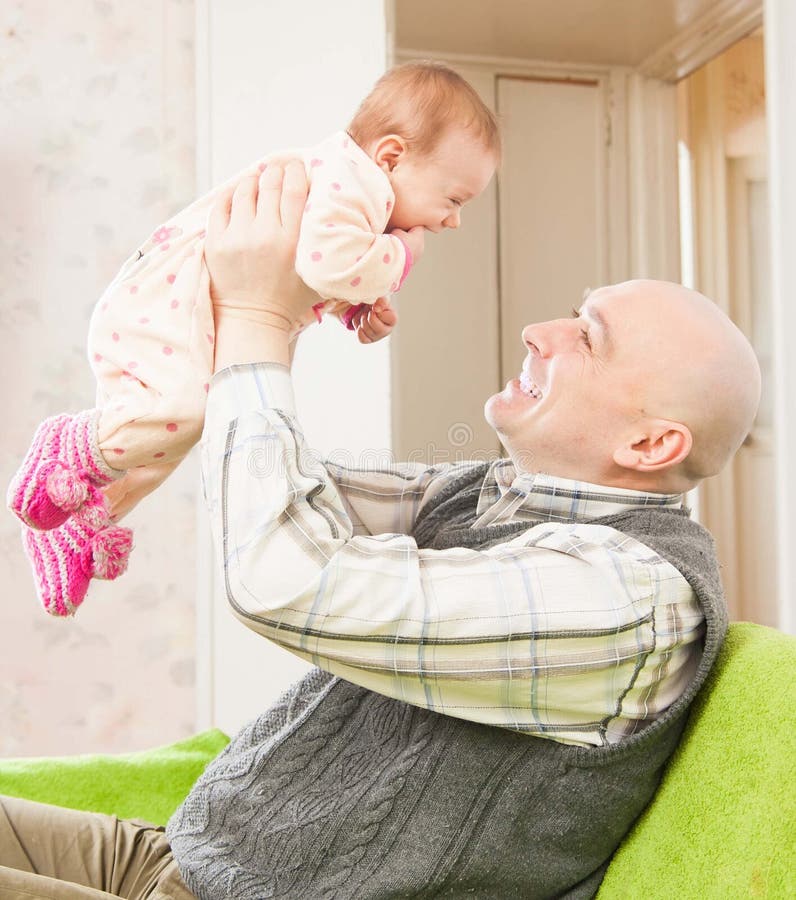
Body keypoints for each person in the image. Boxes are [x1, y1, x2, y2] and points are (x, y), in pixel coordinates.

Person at [0, 163, 761, 899]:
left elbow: (283, 580)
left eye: (588, 338)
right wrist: (284, 308)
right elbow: (273, 483)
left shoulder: (625, 597)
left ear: (650, 445)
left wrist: (256, 319)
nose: (539, 331)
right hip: (183, 855)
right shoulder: (496, 496)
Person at [6, 61, 499, 617]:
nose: (454, 221)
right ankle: (69, 447)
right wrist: (401, 256)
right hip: (167, 301)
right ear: (390, 157)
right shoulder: (353, 181)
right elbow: (328, 262)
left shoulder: (352, 196)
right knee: (177, 412)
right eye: (454, 200)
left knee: (174, 436)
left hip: (192, 310)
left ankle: (80, 519)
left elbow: (310, 272)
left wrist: (355, 309)